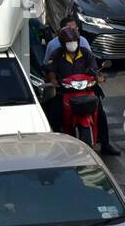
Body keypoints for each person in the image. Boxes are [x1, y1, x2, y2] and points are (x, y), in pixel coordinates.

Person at [45, 24, 120, 155]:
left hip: (87, 90)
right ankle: (55, 145)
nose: (72, 44)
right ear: (63, 43)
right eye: (68, 42)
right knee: (54, 114)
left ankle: (106, 144)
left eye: (74, 41)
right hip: (65, 91)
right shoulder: (56, 54)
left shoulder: (85, 53)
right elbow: (50, 71)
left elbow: (94, 69)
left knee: (101, 114)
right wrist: (53, 81)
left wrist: (98, 77)